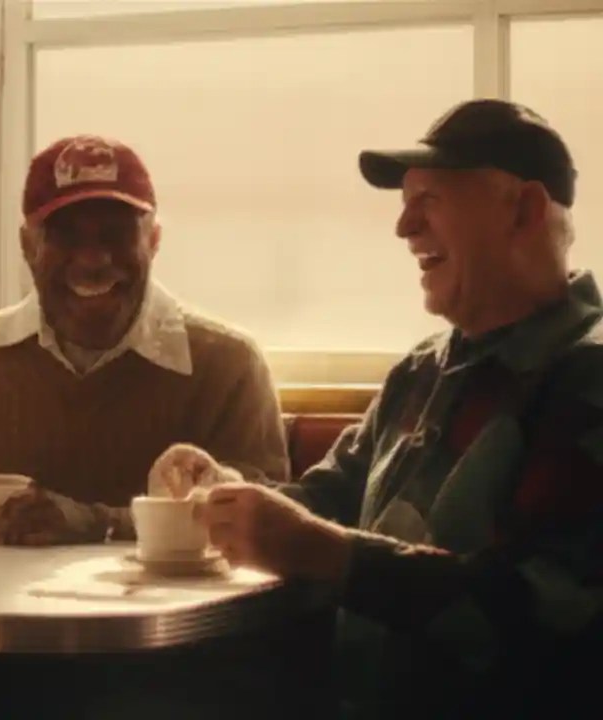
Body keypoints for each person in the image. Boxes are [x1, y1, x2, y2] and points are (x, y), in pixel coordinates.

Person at [157, 99, 603, 718]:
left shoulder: (586, 377)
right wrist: (227, 497)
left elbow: (553, 620)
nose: (403, 228)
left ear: (522, 211)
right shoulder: (421, 369)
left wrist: (329, 556)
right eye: (404, 202)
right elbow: (327, 499)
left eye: (431, 199)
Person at [0, 134, 288, 544]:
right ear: (27, 246)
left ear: (154, 241)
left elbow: (259, 525)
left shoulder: (229, 366)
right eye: (66, 235)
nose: (92, 259)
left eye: (116, 234)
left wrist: (91, 523)